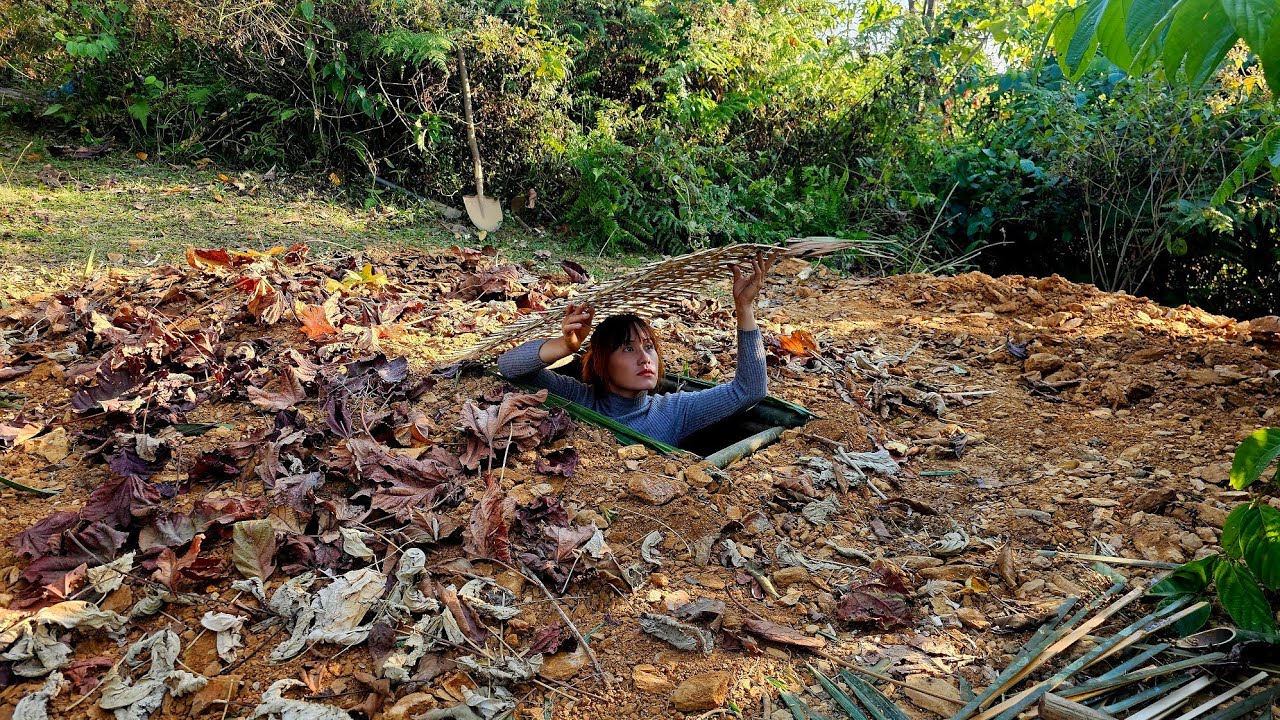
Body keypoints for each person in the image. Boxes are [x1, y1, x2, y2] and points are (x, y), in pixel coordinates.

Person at [497, 252, 775, 446]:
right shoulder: (578, 398)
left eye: (649, 346)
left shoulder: (674, 410)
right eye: (628, 349)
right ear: (602, 363)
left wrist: (744, 308)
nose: (645, 358)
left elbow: (749, 390)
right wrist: (566, 345)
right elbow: (509, 368)